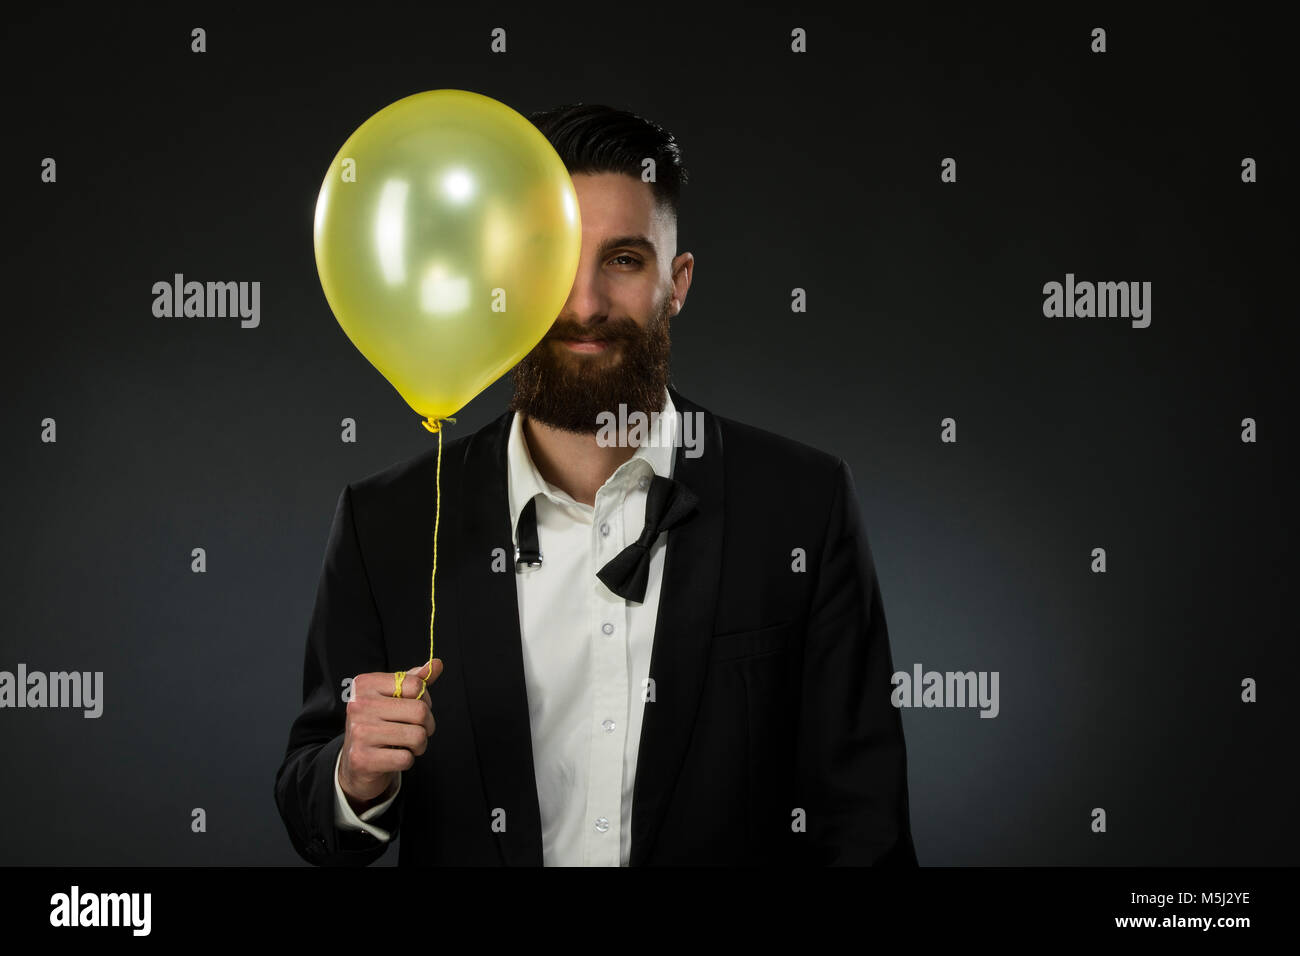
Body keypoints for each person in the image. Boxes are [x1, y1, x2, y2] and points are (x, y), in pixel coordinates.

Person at [274, 103, 917, 866]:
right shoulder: (387, 521)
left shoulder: (804, 505)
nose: (583, 305)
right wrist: (357, 775)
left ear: (675, 283)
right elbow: (311, 801)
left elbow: (864, 823)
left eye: (623, 260)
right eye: (550, 259)